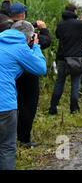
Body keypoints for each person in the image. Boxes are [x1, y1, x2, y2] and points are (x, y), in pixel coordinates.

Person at [0, 21, 47, 170]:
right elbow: (41, 68)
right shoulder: (21, 48)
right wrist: (36, 46)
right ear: (29, 37)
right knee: (7, 147)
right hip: (4, 105)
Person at [49, 4, 82, 114]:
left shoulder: (60, 24)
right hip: (76, 59)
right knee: (75, 83)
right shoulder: (80, 24)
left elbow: (57, 35)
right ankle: (74, 108)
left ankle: (53, 107)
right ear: (75, 12)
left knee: (59, 83)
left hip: (62, 59)